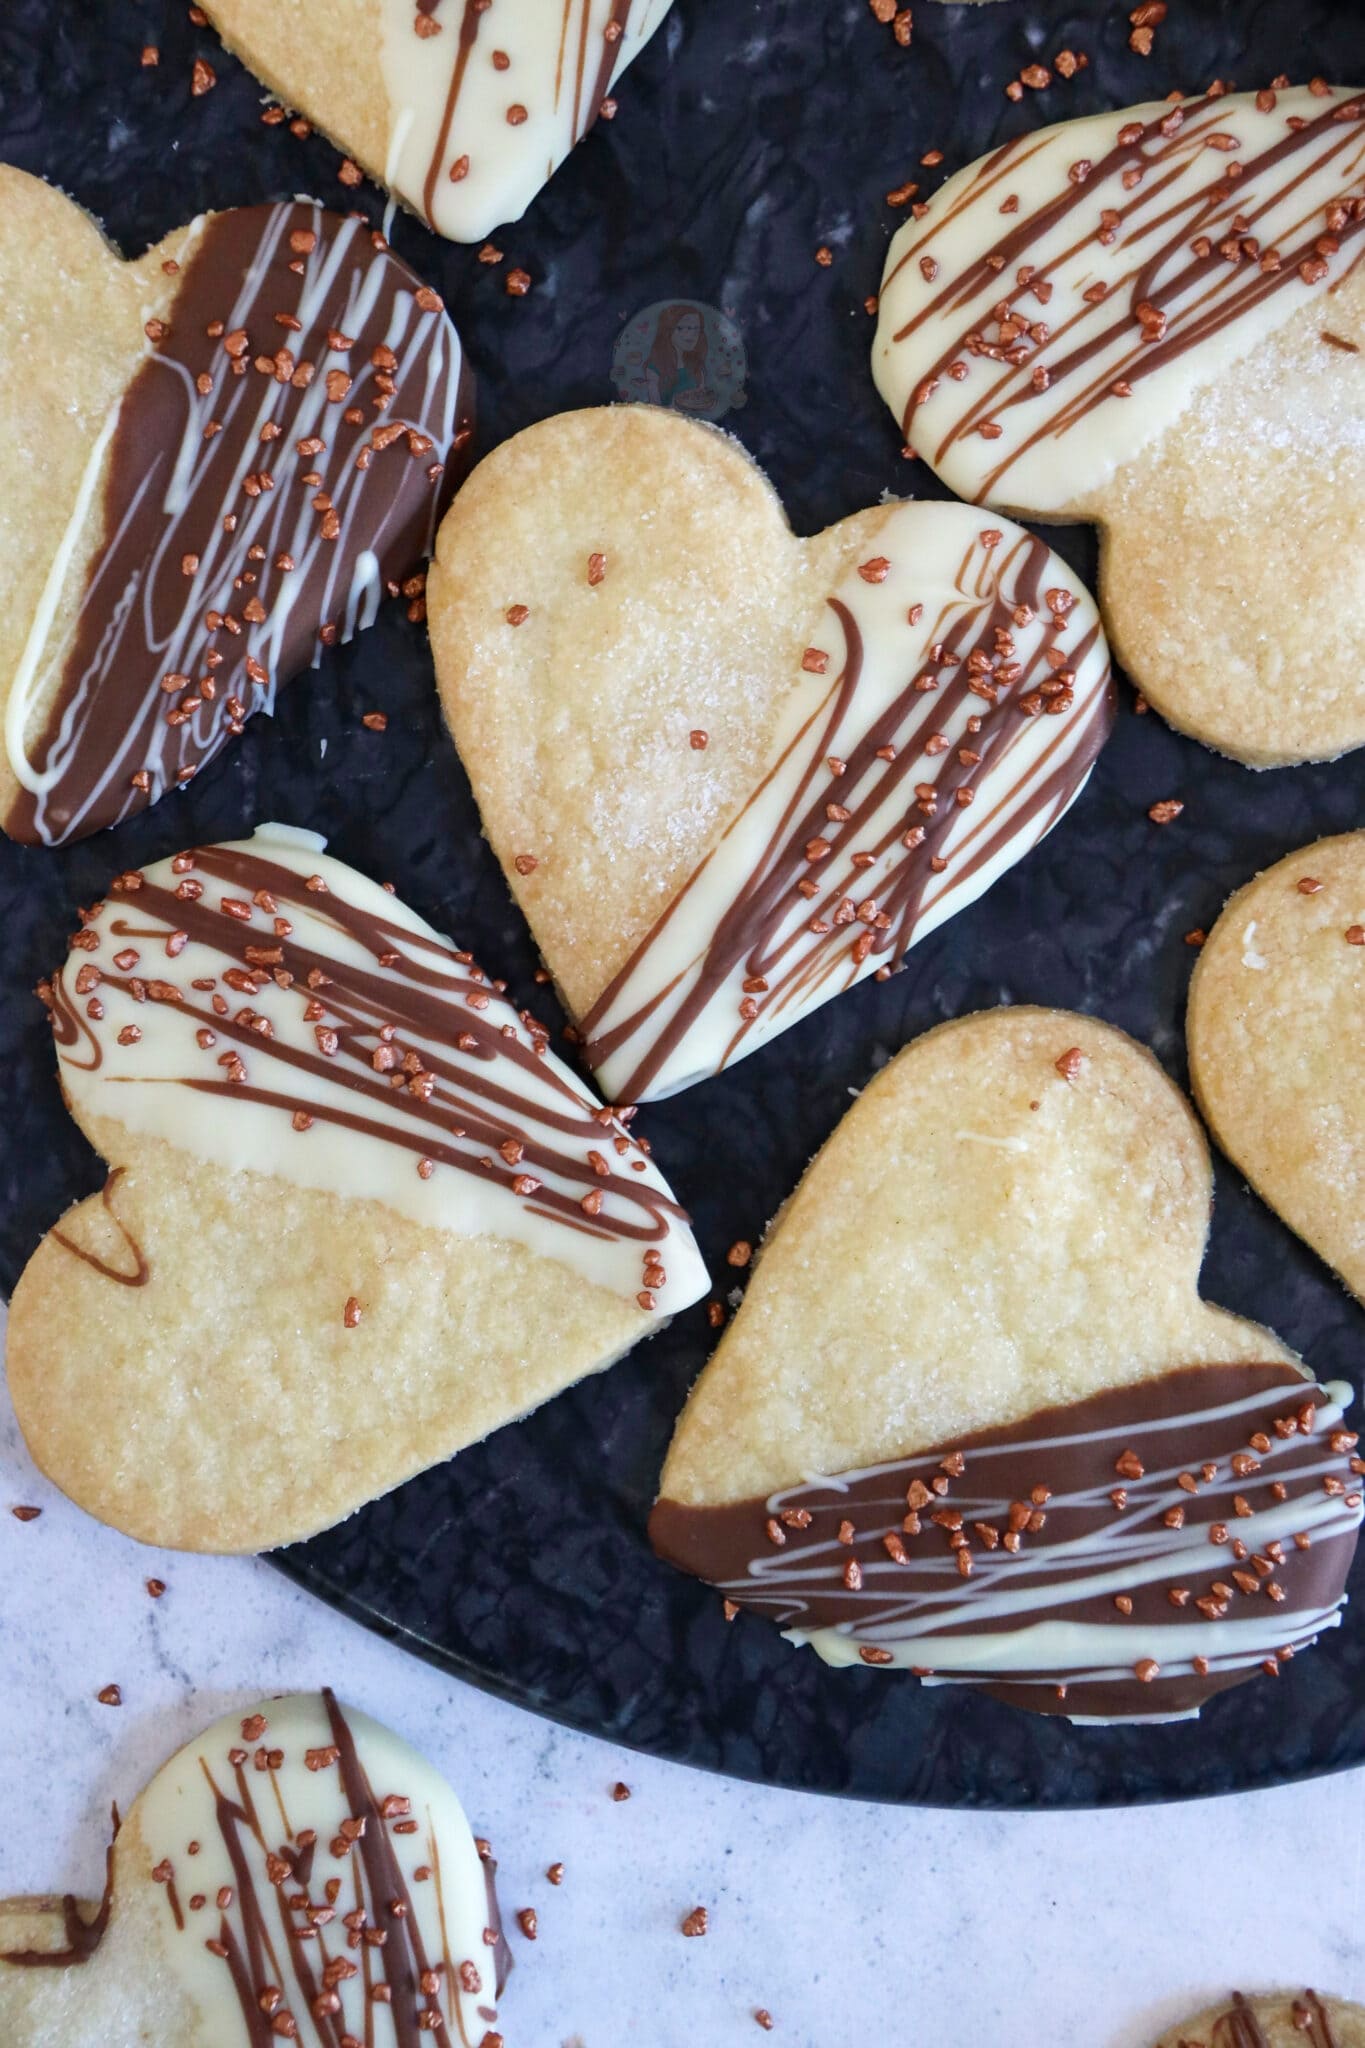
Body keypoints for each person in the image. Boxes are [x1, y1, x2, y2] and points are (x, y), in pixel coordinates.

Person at [644, 303, 710, 410]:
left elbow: (701, 398)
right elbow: (655, 410)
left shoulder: (697, 365)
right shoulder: (654, 368)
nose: (692, 334)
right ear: (668, 331)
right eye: (682, 328)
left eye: (696, 328)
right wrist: (674, 406)